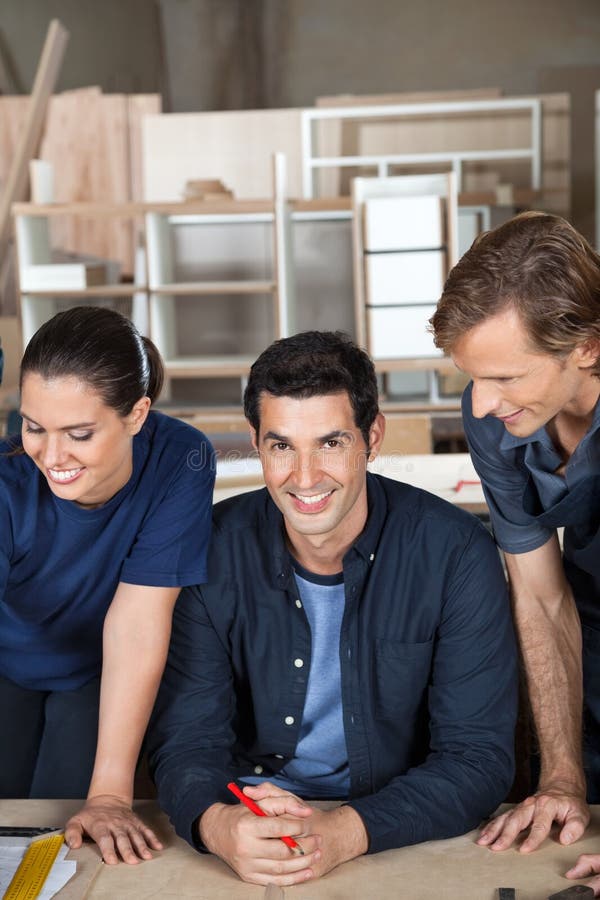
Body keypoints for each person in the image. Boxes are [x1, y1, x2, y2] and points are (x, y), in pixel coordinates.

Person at [147, 330, 517, 887]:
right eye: (281, 446)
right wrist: (217, 825)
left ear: (373, 435)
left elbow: (477, 758)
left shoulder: (456, 552)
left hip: (393, 832)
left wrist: (345, 831)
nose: (304, 477)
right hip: (247, 832)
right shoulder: (212, 549)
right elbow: (187, 741)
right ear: (256, 443)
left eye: (330, 443)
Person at [0, 306, 215, 865]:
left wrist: (110, 796)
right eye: (34, 426)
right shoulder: (8, 477)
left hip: (100, 667)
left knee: (63, 824)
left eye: (79, 433)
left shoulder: (183, 458)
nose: (51, 456)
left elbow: (139, 622)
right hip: (6, 660)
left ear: (137, 414)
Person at [430, 211, 600, 892]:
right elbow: (538, 589)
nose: (482, 401)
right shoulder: (495, 415)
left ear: (586, 346)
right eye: (472, 375)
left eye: (506, 376)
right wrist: (561, 775)